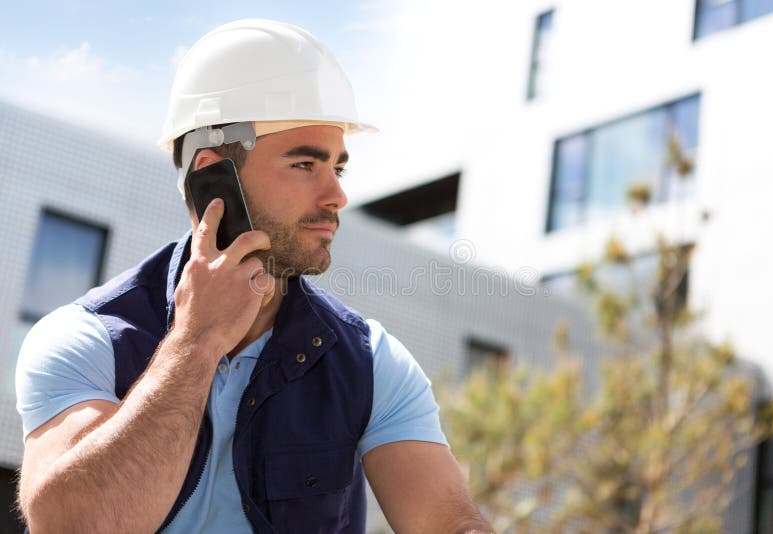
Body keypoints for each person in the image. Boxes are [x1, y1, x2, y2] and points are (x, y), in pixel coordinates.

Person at [15, 18, 493, 534]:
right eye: (306, 165)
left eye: (339, 168)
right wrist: (197, 342)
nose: (337, 196)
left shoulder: (372, 365)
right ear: (212, 176)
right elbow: (72, 524)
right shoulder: (84, 340)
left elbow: (449, 523)